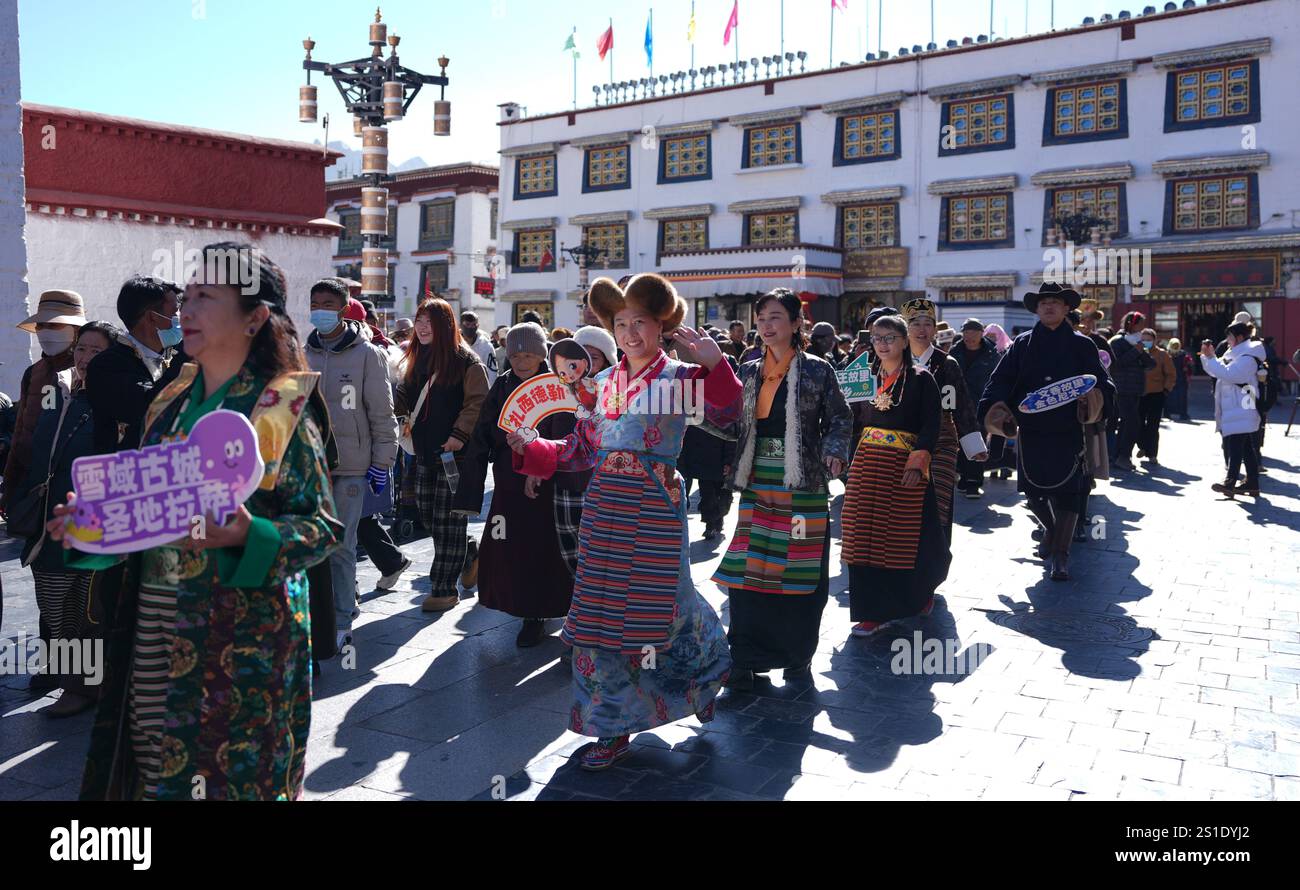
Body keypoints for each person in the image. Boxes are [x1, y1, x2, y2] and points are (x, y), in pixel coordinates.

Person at [49, 242, 342, 800]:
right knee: (154, 776)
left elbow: (322, 528)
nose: (186, 308)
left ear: (255, 318)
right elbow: (143, 513)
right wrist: (88, 532)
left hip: (241, 647)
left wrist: (246, 535)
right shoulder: (171, 401)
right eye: (187, 294)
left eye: (207, 296)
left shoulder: (279, 406)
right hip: (153, 630)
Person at [507, 274, 741, 771]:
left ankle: (701, 677)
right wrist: (533, 448)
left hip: (654, 504)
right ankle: (610, 724)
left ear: (662, 326)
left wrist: (716, 364)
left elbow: (728, 409)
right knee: (596, 618)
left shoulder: (679, 379)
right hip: (604, 506)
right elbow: (581, 447)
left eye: (640, 322)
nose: (630, 333)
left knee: (665, 608)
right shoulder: (605, 383)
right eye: (621, 323)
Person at [713, 288, 851, 685]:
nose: (767, 326)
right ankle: (745, 657)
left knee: (799, 572)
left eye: (775, 317)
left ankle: (796, 654)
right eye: (761, 319)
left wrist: (835, 452)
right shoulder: (748, 370)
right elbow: (729, 422)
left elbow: (840, 419)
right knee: (749, 571)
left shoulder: (817, 370)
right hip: (757, 481)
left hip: (802, 483)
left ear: (795, 324)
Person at [451, 323, 582, 647]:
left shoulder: (557, 386)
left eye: (529, 354)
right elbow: (483, 434)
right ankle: (524, 610)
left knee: (546, 549)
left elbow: (564, 432)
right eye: (516, 354)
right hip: (510, 479)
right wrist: (470, 492)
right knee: (511, 547)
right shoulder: (503, 386)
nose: (522, 360)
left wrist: (540, 461)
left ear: (542, 355)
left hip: (549, 480)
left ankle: (548, 611)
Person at [14, 321, 118, 717]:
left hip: (89, 520)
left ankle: (80, 688)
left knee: (85, 610)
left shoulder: (112, 403)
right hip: (48, 517)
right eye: (82, 349)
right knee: (54, 606)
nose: (85, 358)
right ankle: (72, 679)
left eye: (96, 352)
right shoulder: (58, 391)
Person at [979, 283, 1114, 581]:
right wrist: (997, 408)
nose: (1049, 307)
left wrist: (1091, 400)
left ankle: (1061, 556)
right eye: (1043, 303)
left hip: (1069, 429)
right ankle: (1051, 532)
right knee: (1034, 493)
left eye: (1055, 302)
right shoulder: (1022, 345)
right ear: (1037, 309)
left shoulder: (1083, 345)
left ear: (1067, 308)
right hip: (1032, 429)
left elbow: (1104, 384)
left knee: (1070, 494)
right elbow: (999, 381)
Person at [305, 278, 400, 647]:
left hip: (352, 466)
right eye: (315, 302)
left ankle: (342, 618)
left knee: (341, 547)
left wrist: (382, 462)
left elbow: (382, 413)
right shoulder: (304, 352)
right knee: (314, 547)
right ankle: (322, 614)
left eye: (328, 303)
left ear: (344, 309)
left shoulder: (368, 354)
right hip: (312, 467)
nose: (320, 310)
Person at [842, 314, 949, 636]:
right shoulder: (863, 378)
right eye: (877, 338)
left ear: (904, 341)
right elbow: (848, 419)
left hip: (904, 468)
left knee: (904, 537)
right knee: (861, 538)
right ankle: (871, 611)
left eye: (890, 337)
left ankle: (917, 596)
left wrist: (918, 464)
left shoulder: (921, 379)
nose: (883, 344)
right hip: (866, 465)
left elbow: (933, 424)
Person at [396, 298, 489, 612]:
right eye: (419, 320)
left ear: (445, 325)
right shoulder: (414, 357)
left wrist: (457, 436)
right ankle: (471, 552)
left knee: (448, 522)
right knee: (427, 515)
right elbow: (403, 395)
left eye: (429, 321)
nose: (422, 328)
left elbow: (477, 403)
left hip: (455, 457)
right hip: (421, 453)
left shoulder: (467, 361)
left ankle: (444, 588)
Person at [902, 299, 986, 537]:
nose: (921, 329)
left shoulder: (946, 363)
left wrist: (973, 444)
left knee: (939, 498)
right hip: (903, 439)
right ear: (904, 328)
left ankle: (936, 554)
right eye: (915, 323)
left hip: (942, 438)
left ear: (935, 329)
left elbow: (962, 405)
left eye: (927, 323)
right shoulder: (893, 360)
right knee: (905, 501)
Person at [2, 290, 86, 520]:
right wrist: (10, 487)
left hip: (74, 487)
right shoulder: (34, 373)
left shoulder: (88, 372)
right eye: (41, 326)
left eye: (55, 326)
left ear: (76, 330)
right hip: (33, 485)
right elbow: (20, 433)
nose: (45, 332)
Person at [85, 276, 183, 452]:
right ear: (152, 317)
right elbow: (154, 408)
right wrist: (188, 351)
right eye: (176, 313)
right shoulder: (107, 366)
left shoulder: (169, 358)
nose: (182, 320)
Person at [1201, 323, 1265, 498]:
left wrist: (1212, 359)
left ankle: (1230, 482)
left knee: (1236, 442)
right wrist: (1209, 356)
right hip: (1237, 403)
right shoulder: (1235, 353)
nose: (1227, 341)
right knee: (1244, 446)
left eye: (1229, 337)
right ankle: (1252, 483)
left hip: (1243, 402)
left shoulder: (1248, 356)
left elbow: (1231, 374)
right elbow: (1217, 371)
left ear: (1239, 337)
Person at [954, 319, 1000, 499]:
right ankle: (964, 476)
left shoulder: (992, 354)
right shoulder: (954, 352)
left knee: (976, 441)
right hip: (957, 404)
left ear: (982, 333)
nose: (969, 336)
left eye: (974, 332)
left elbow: (998, 380)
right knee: (959, 442)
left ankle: (974, 482)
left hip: (981, 404)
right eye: (966, 332)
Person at [1108, 311, 1155, 472]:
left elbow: (1151, 364)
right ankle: (1122, 456)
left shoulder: (1139, 341)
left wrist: (1143, 352)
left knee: (1128, 423)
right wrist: (1136, 351)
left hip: (1135, 388)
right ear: (1132, 324)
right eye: (1140, 324)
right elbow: (1117, 364)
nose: (1143, 328)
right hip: (1122, 388)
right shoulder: (1117, 342)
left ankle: (1120, 456)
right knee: (1131, 422)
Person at [1137, 328, 1175, 465]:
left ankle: (1152, 454)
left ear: (1154, 340)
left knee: (1153, 425)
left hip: (1157, 394)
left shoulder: (1162, 355)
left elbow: (1171, 374)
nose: (1146, 342)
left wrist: (1166, 389)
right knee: (1138, 423)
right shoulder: (1137, 352)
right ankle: (1143, 446)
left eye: (1149, 339)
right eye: (1143, 339)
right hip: (1139, 394)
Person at [459, 311, 499, 385]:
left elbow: (492, 372)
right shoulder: (454, 343)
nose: (470, 327)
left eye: (473, 325)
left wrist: (489, 392)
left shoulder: (486, 346)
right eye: (467, 324)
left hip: (478, 387)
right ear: (460, 325)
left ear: (478, 326)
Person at [1163, 337, 1192, 421]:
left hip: (1178, 379)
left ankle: (1178, 413)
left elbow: (1189, 367)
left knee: (1180, 398)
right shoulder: (1167, 354)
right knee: (1170, 398)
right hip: (1174, 379)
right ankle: (1171, 413)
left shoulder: (1182, 355)